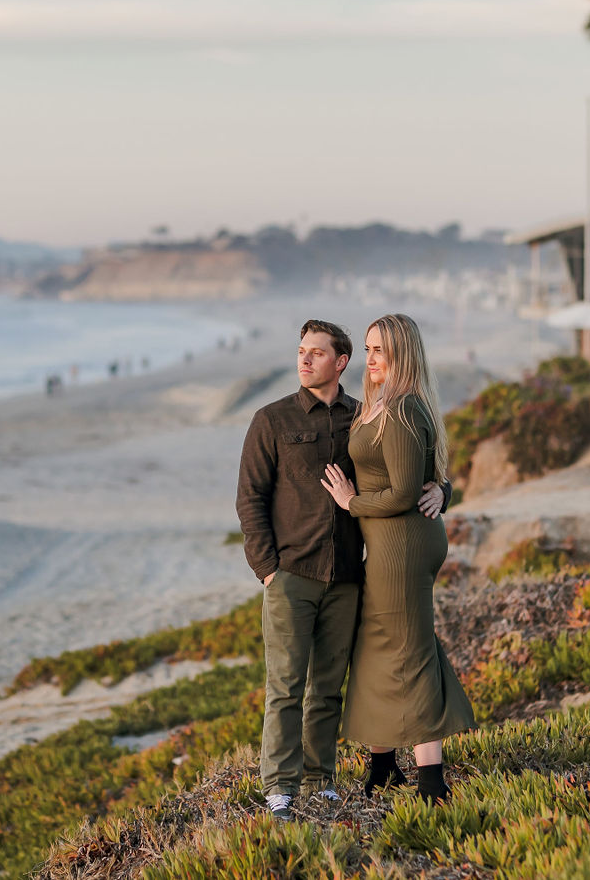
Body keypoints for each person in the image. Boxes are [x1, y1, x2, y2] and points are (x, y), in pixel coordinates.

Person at [236, 319, 449, 823]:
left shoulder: (363, 416)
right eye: (301, 351)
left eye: (317, 352)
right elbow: (250, 498)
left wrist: (444, 489)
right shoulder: (272, 420)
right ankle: (280, 789)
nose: (305, 360)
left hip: (349, 577)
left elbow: (410, 469)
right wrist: (267, 569)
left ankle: (321, 780)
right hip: (291, 573)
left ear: (342, 362)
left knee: (328, 688)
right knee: (286, 687)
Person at [320, 313, 476, 804]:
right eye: (367, 349)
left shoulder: (406, 408)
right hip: (388, 544)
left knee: (408, 650)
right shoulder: (381, 403)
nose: (370, 360)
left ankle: (431, 779)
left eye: (380, 351)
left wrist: (351, 503)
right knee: (378, 647)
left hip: (403, 544)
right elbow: (423, 478)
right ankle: (384, 766)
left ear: (402, 353)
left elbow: (406, 492)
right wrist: (444, 488)